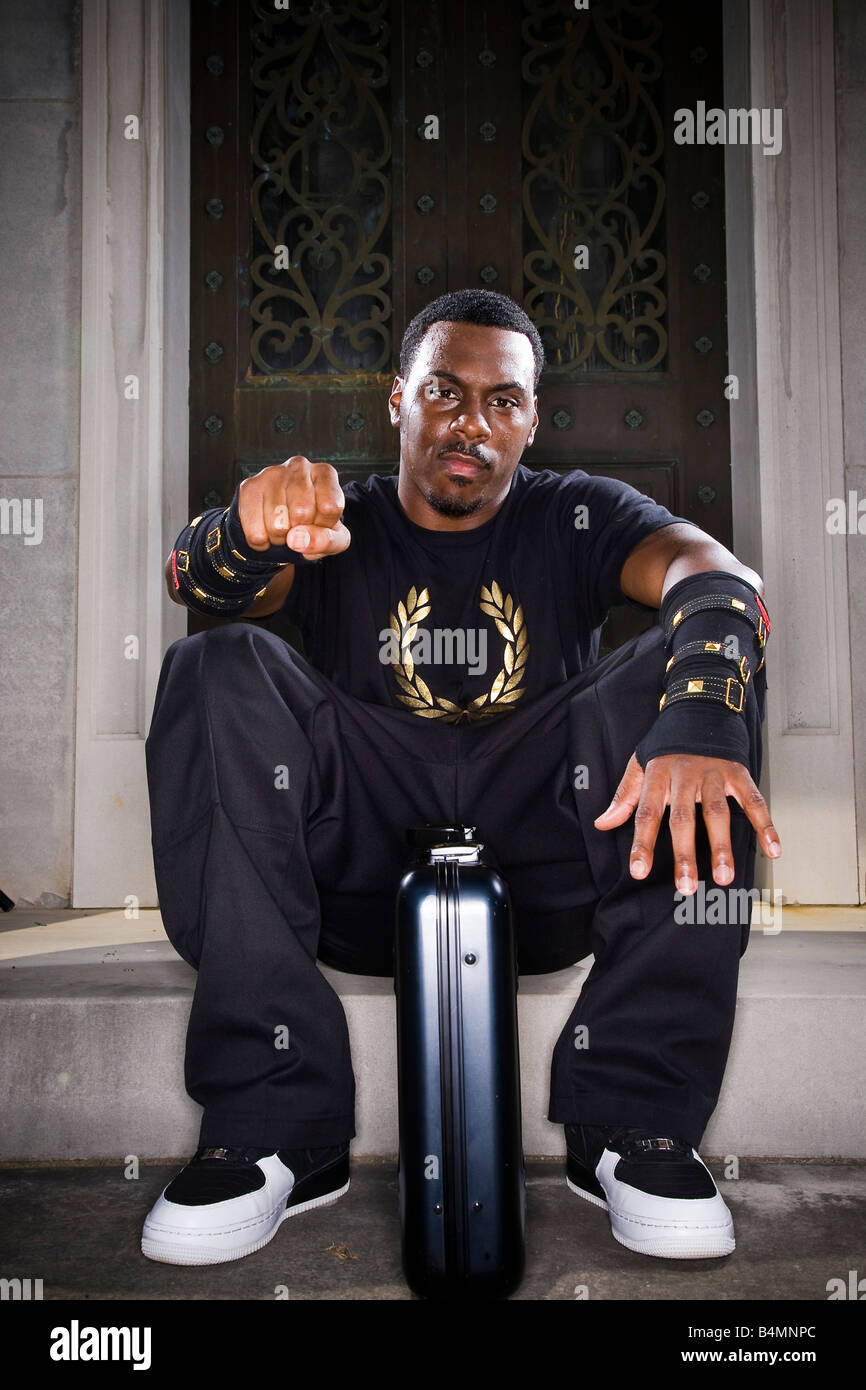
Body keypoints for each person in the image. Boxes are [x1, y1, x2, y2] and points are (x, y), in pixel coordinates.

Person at [142, 289, 780, 1269]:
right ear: (397, 400)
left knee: (695, 657)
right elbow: (201, 583)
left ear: (529, 417)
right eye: (442, 391)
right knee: (214, 663)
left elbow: (714, 574)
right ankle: (274, 1122)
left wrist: (699, 709)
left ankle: (632, 1119)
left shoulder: (577, 512)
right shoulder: (337, 518)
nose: (470, 423)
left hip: (543, 866)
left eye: (501, 401)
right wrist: (241, 531)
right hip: (357, 865)